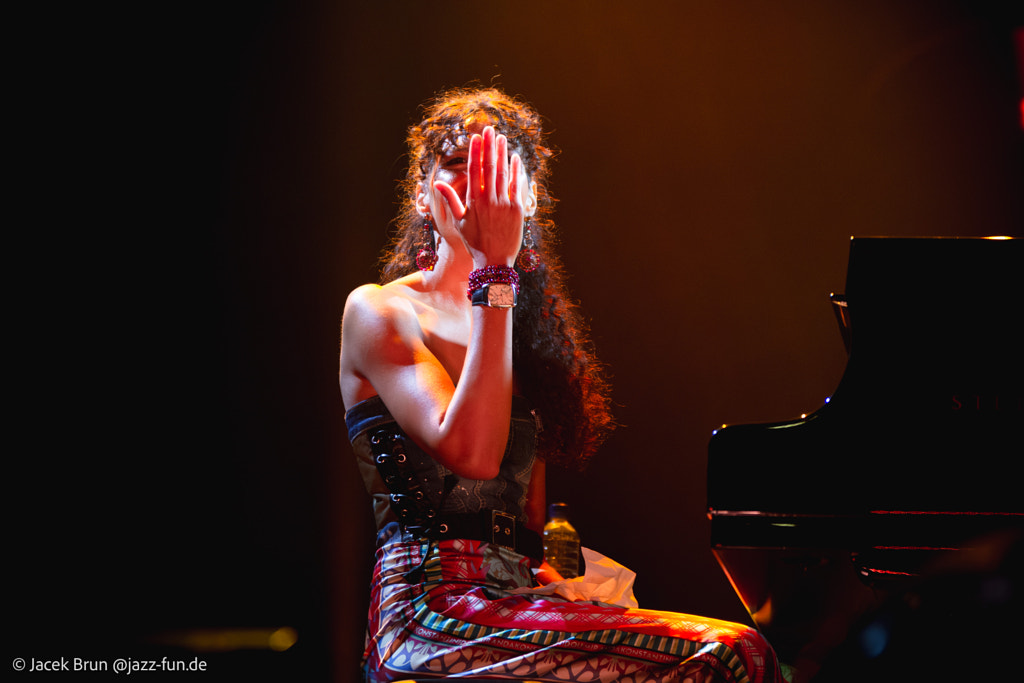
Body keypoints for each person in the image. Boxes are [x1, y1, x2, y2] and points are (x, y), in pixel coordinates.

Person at [340, 87, 784, 682]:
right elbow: (471, 454)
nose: (476, 186)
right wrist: (493, 273)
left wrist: (572, 590)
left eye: (496, 171)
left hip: (516, 604)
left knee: (732, 647)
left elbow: (525, 528)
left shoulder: (515, 333)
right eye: (455, 165)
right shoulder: (379, 311)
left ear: (522, 202)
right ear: (423, 192)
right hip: (426, 614)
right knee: (730, 655)